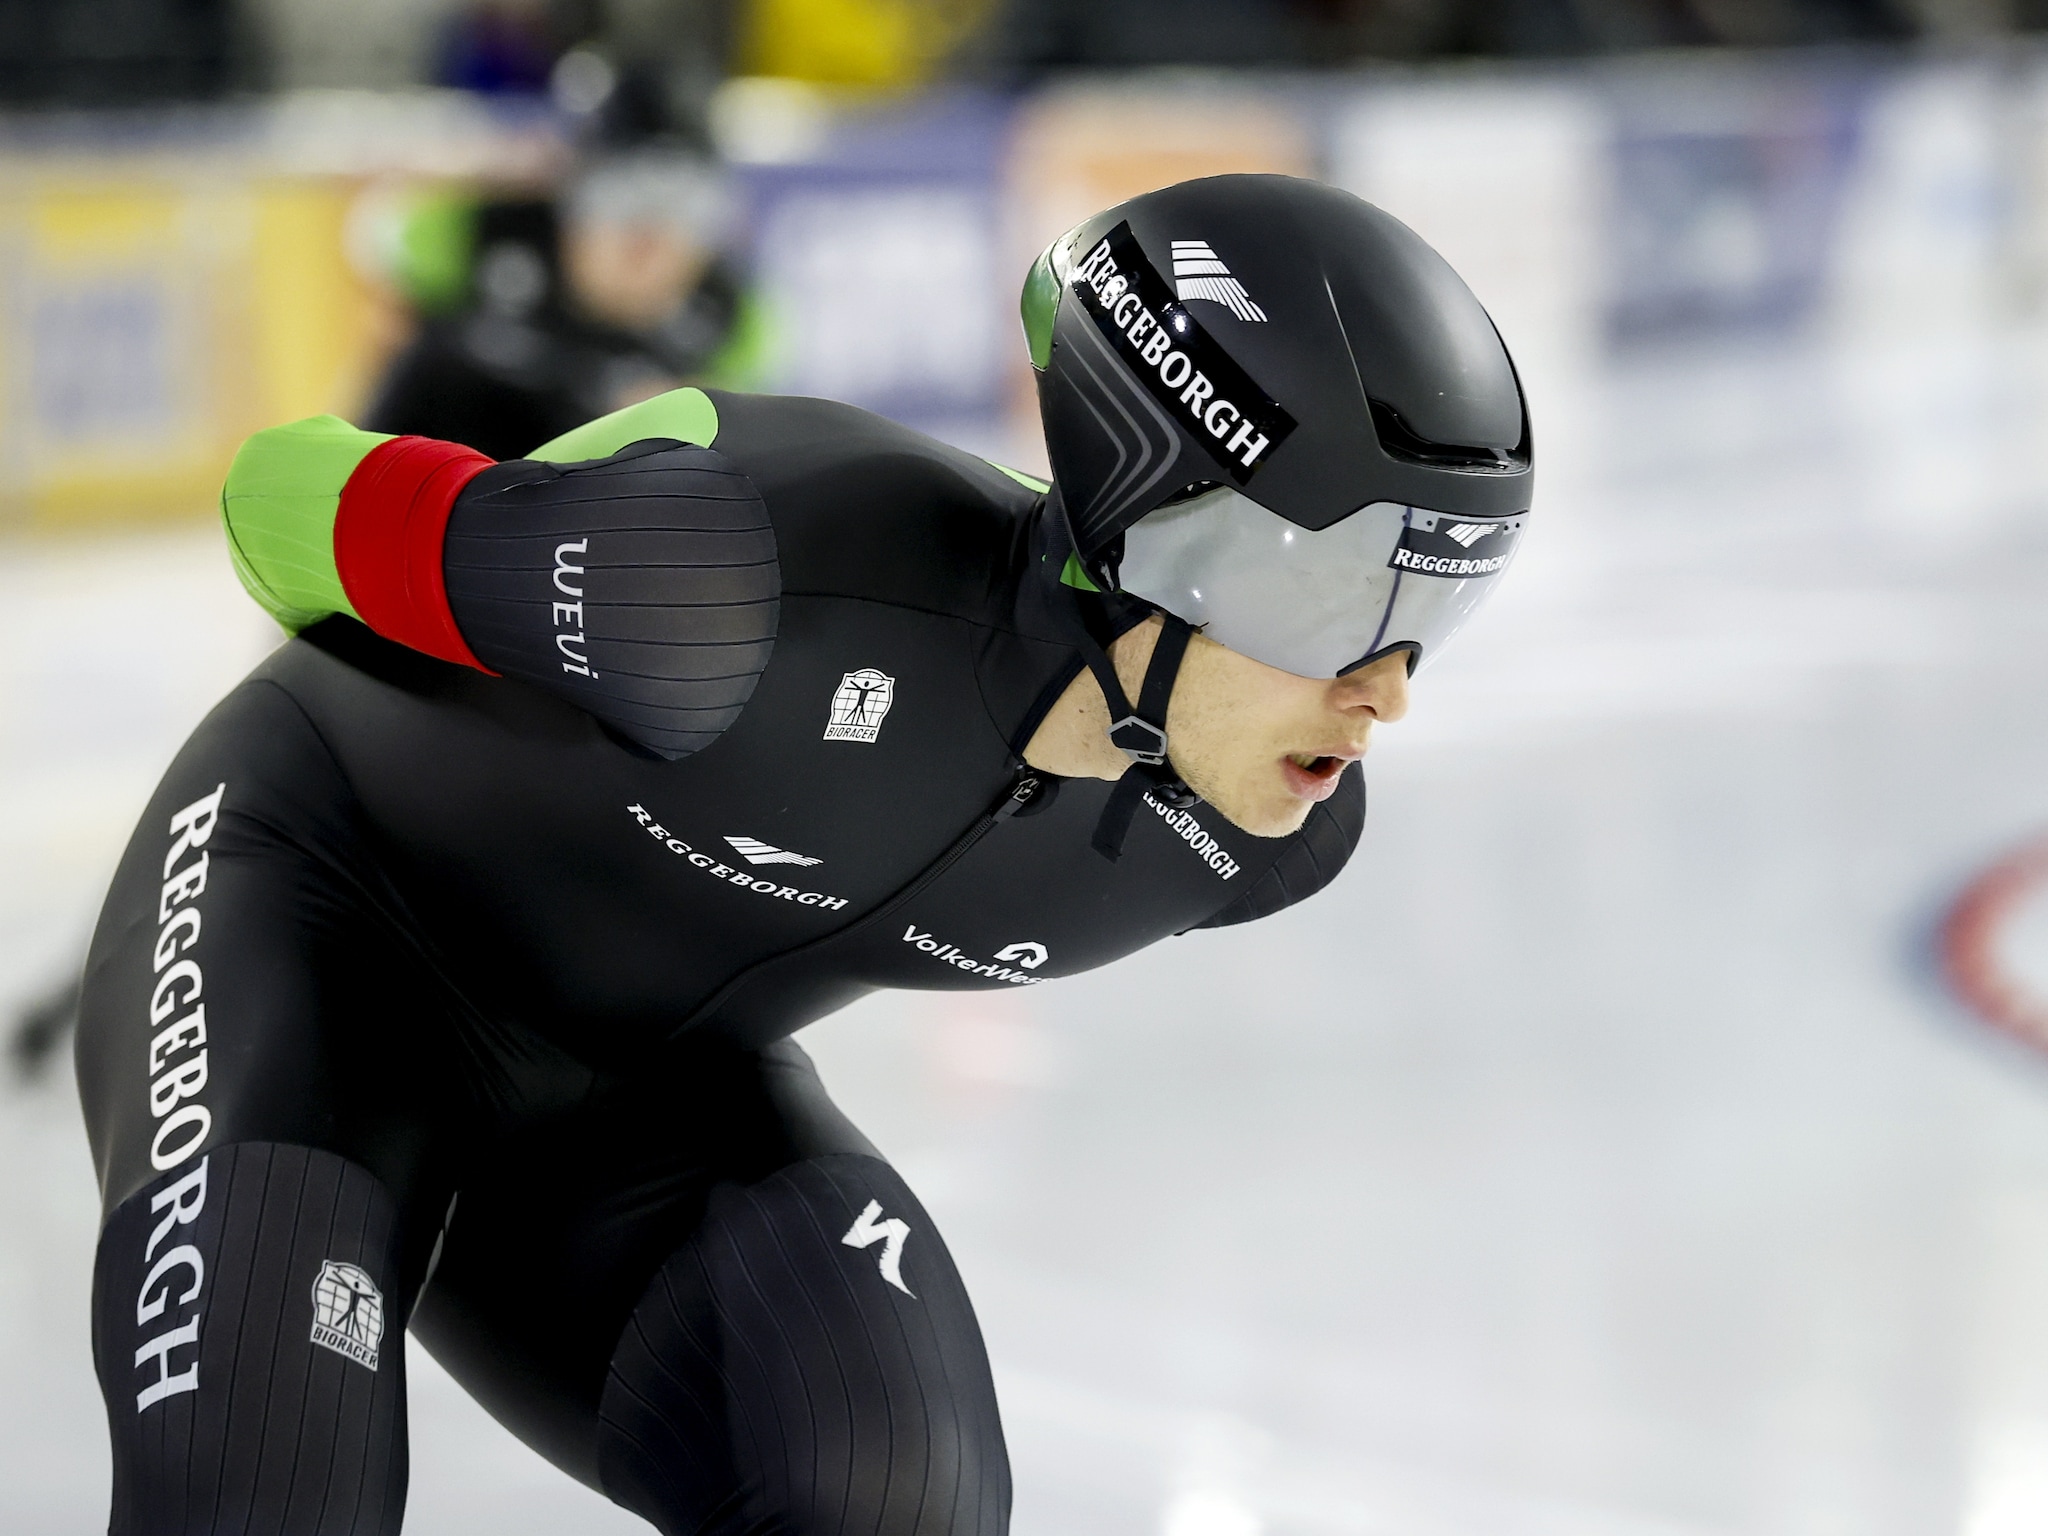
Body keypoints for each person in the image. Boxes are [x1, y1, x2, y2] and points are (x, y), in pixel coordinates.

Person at [75, 173, 1531, 1535]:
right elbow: (274, 490)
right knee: (262, 1491)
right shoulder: (732, 588)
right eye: (1343, 603)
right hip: (319, 931)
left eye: (1436, 611)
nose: (1388, 692)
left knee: (893, 1489)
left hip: (644, 1100)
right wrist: (489, 549)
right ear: (1163, 533)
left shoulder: (1260, 840)